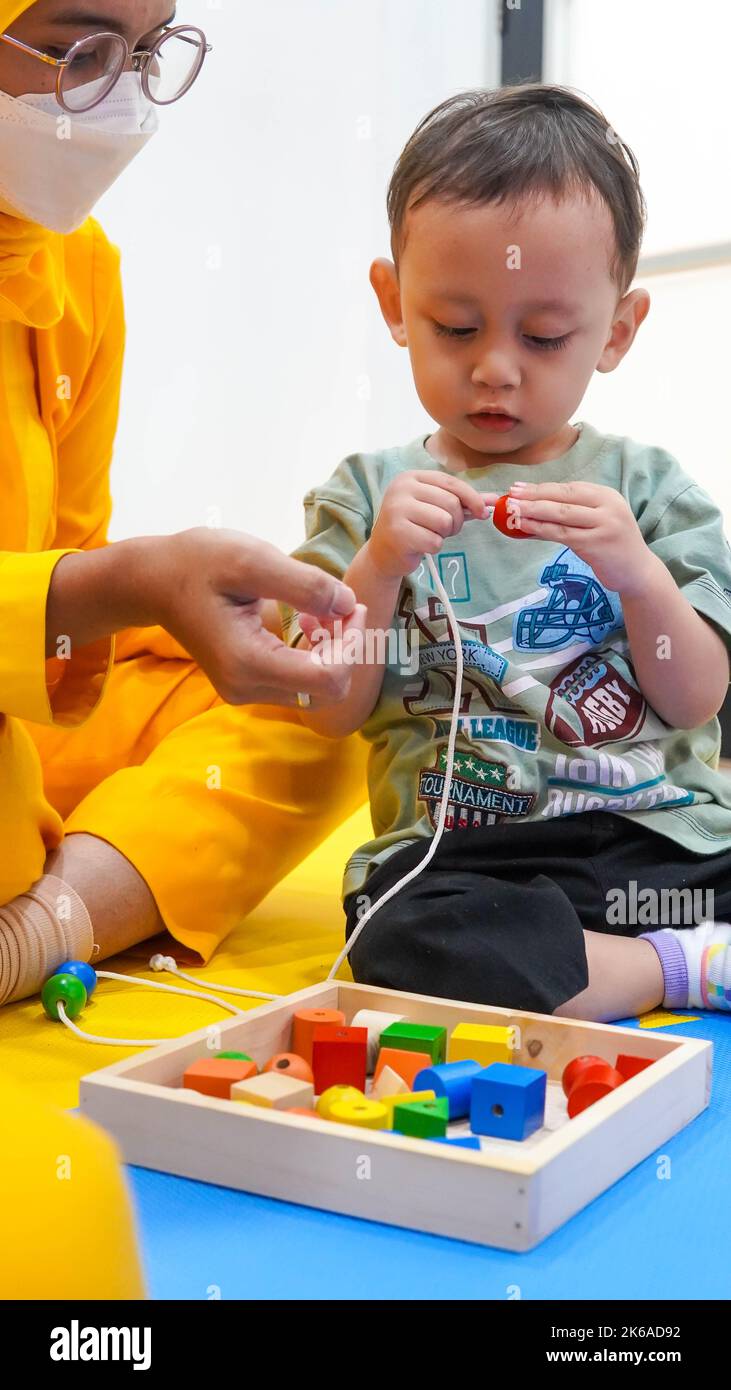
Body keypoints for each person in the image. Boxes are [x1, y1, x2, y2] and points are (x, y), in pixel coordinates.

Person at [287, 83, 731, 1023]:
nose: (495, 366)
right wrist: (374, 569)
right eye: (456, 327)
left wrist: (640, 578)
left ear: (614, 330)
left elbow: (694, 696)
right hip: (464, 858)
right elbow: (322, 707)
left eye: (543, 335)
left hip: (655, 840)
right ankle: (673, 970)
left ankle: (615, 961)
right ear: (393, 300)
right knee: (391, 938)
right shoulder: (362, 496)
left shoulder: (648, 488)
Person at [0, 0, 368, 1011]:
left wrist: (158, 591)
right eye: (77, 46)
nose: (118, 95)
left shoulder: (77, 268)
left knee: (331, 683)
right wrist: (130, 579)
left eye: (149, 50)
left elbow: (63, 603)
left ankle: (41, 928)